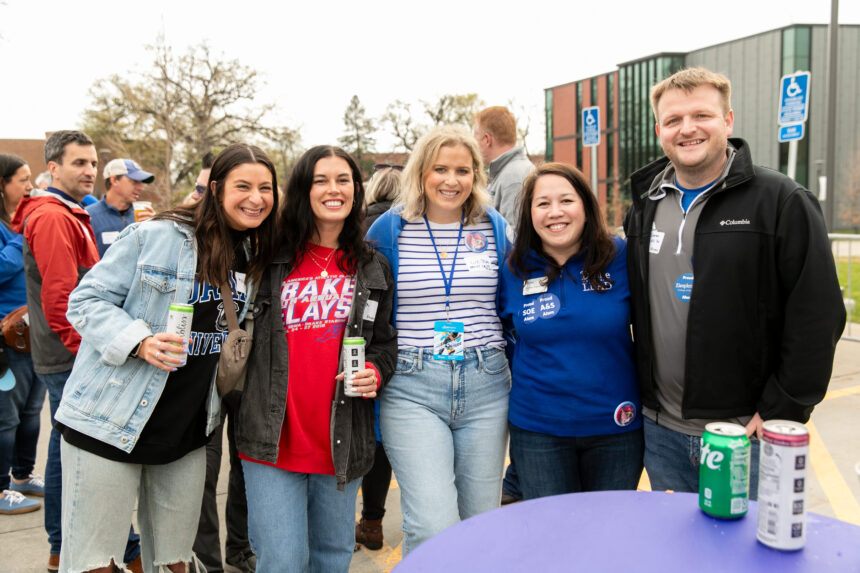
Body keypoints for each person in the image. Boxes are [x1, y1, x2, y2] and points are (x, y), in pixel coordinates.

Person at [53, 143, 278, 573]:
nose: (256, 197)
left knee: (175, 563)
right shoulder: (157, 235)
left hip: (188, 431)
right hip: (111, 420)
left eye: (265, 188)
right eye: (243, 186)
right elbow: (85, 300)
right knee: (94, 564)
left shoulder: (253, 255)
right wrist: (139, 340)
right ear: (215, 189)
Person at [624, 67, 845, 495]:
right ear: (659, 131)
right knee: (681, 558)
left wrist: (784, 409)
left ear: (727, 121)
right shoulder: (646, 204)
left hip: (748, 435)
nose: (687, 129)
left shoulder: (781, 201)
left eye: (701, 115)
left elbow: (817, 316)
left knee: (749, 560)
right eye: (673, 120)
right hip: (662, 433)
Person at [236, 145, 397, 572]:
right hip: (272, 439)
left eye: (343, 180)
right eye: (320, 180)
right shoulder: (267, 256)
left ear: (356, 190)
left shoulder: (372, 265)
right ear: (302, 190)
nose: (333, 189)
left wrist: (375, 372)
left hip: (341, 440)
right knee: (283, 562)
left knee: (332, 558)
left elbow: (384, 344)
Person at [366, 125, 513, 555]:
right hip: (412, 383)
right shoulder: (389, 229)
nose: (452, 180)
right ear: (421, 172)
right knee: (432, 523)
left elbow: (516, 294)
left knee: (480, 522)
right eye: (441, 169)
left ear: (476, 176)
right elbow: (369, 306)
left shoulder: (494, 226)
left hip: (486, 380)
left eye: (463, 170)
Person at [11, 130, 142, 572]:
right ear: (53, 168)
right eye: (78, 163)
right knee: (87, 454)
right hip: (70, 355)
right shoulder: (50, 216)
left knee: (67, 451)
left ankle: (65, 548)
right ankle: (113, 549)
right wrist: (92, 351)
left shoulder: (67, 211)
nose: (89, 171)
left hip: (68, 353)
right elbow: (62, 297)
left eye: (91, 162)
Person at [499, 162, 643, 499]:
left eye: (566, 200)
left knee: (608, 536)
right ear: (529, 214)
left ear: (586, 207)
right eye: (543, 203)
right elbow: (501, 337)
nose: (555, 212)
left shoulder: (621, 256)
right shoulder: (513, 269)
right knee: (553, 540)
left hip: (616, 427)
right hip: (538, 432)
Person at [354, 165, 401, 551]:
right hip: (396, 347)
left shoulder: (357, 225)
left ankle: (357, 522)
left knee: (357, 435)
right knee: (382, 442)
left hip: (361, 346)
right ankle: (373, 520)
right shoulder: (400, 229)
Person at [0, 154, 45, 515]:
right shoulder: (10, 228)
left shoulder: (26, 219)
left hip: (35, 334)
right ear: (2, 185)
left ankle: (21, 477)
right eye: (22, 179)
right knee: (6, 417)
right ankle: (0, 490)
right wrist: (20, 236)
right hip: (7, 339)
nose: (29, 186)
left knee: (31, 412)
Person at [473, 106, 534, 225]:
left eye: (475, 137)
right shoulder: (509, 171)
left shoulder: (513, 178)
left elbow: (515, 237)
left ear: (487, 139)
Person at [87, 158, 156, 257]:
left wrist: (156, 229)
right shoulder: (88, 217)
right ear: (114, 180)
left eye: (141, 183)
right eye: (134, 181)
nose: (140, 188)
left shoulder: (145, 217)